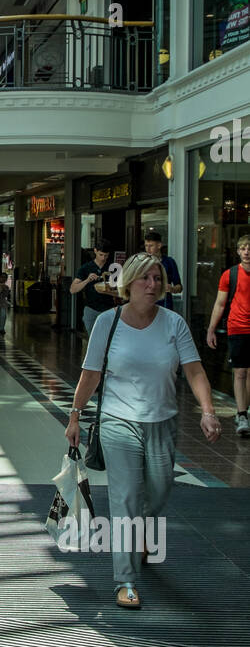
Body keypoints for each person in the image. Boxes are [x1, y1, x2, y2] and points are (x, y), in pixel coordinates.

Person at [65, 252, 220, 610]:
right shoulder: (108, 323)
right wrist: (75, 416)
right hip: (118, 421)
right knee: (126, 498)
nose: (152, 285)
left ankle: (142, 533)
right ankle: (126, 580)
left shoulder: (173, 324)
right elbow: (91, 374)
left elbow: (194, 370)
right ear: (128, 283)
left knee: (160, 488)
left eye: (157, 279)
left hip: (162, 421)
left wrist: (208, 411)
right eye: (145, 278)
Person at [206, 233, 250, 437]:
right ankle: (241, 414)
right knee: (240, 372)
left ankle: (245, 411)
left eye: (249, 248)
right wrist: (211, 329)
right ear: (238, 251)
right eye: (243, 248)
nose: (247, 252)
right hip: (237, 328)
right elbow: (220, 304)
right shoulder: (229, 275)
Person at [70, 241, 117, 334]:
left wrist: (108, 291)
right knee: (92, 338)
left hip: (108, 309)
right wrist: (87, 280)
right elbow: (72, 289)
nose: (103, 258)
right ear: (95, 251)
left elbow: (121, 293)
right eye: (101, 255)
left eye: (106, 256)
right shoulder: (86, 268)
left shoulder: (113, 268)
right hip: (91, 309)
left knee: (107, 338)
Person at [143, 229, 183, 309]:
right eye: (146, 246)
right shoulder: (142, 262)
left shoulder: (169, 262)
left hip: (165, 304)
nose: (148, 249)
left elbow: (179, 287)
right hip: (146, 303)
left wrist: (172, 289)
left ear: (159, 245)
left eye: (151, 246)